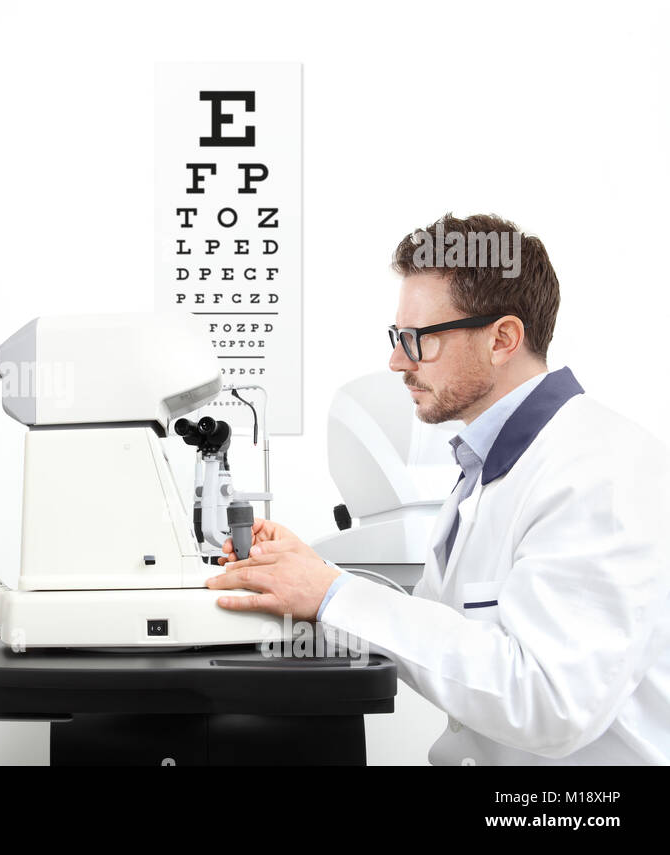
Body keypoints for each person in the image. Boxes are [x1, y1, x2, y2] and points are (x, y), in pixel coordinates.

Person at [208, 213, 670, 765]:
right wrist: (315, 578)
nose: (397, 361)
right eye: (397, 337)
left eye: (418, 339)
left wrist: (333, 595)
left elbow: (550, 702)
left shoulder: (597, 468)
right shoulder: (485, 465)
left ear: (503, 338)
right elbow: (443, 633)